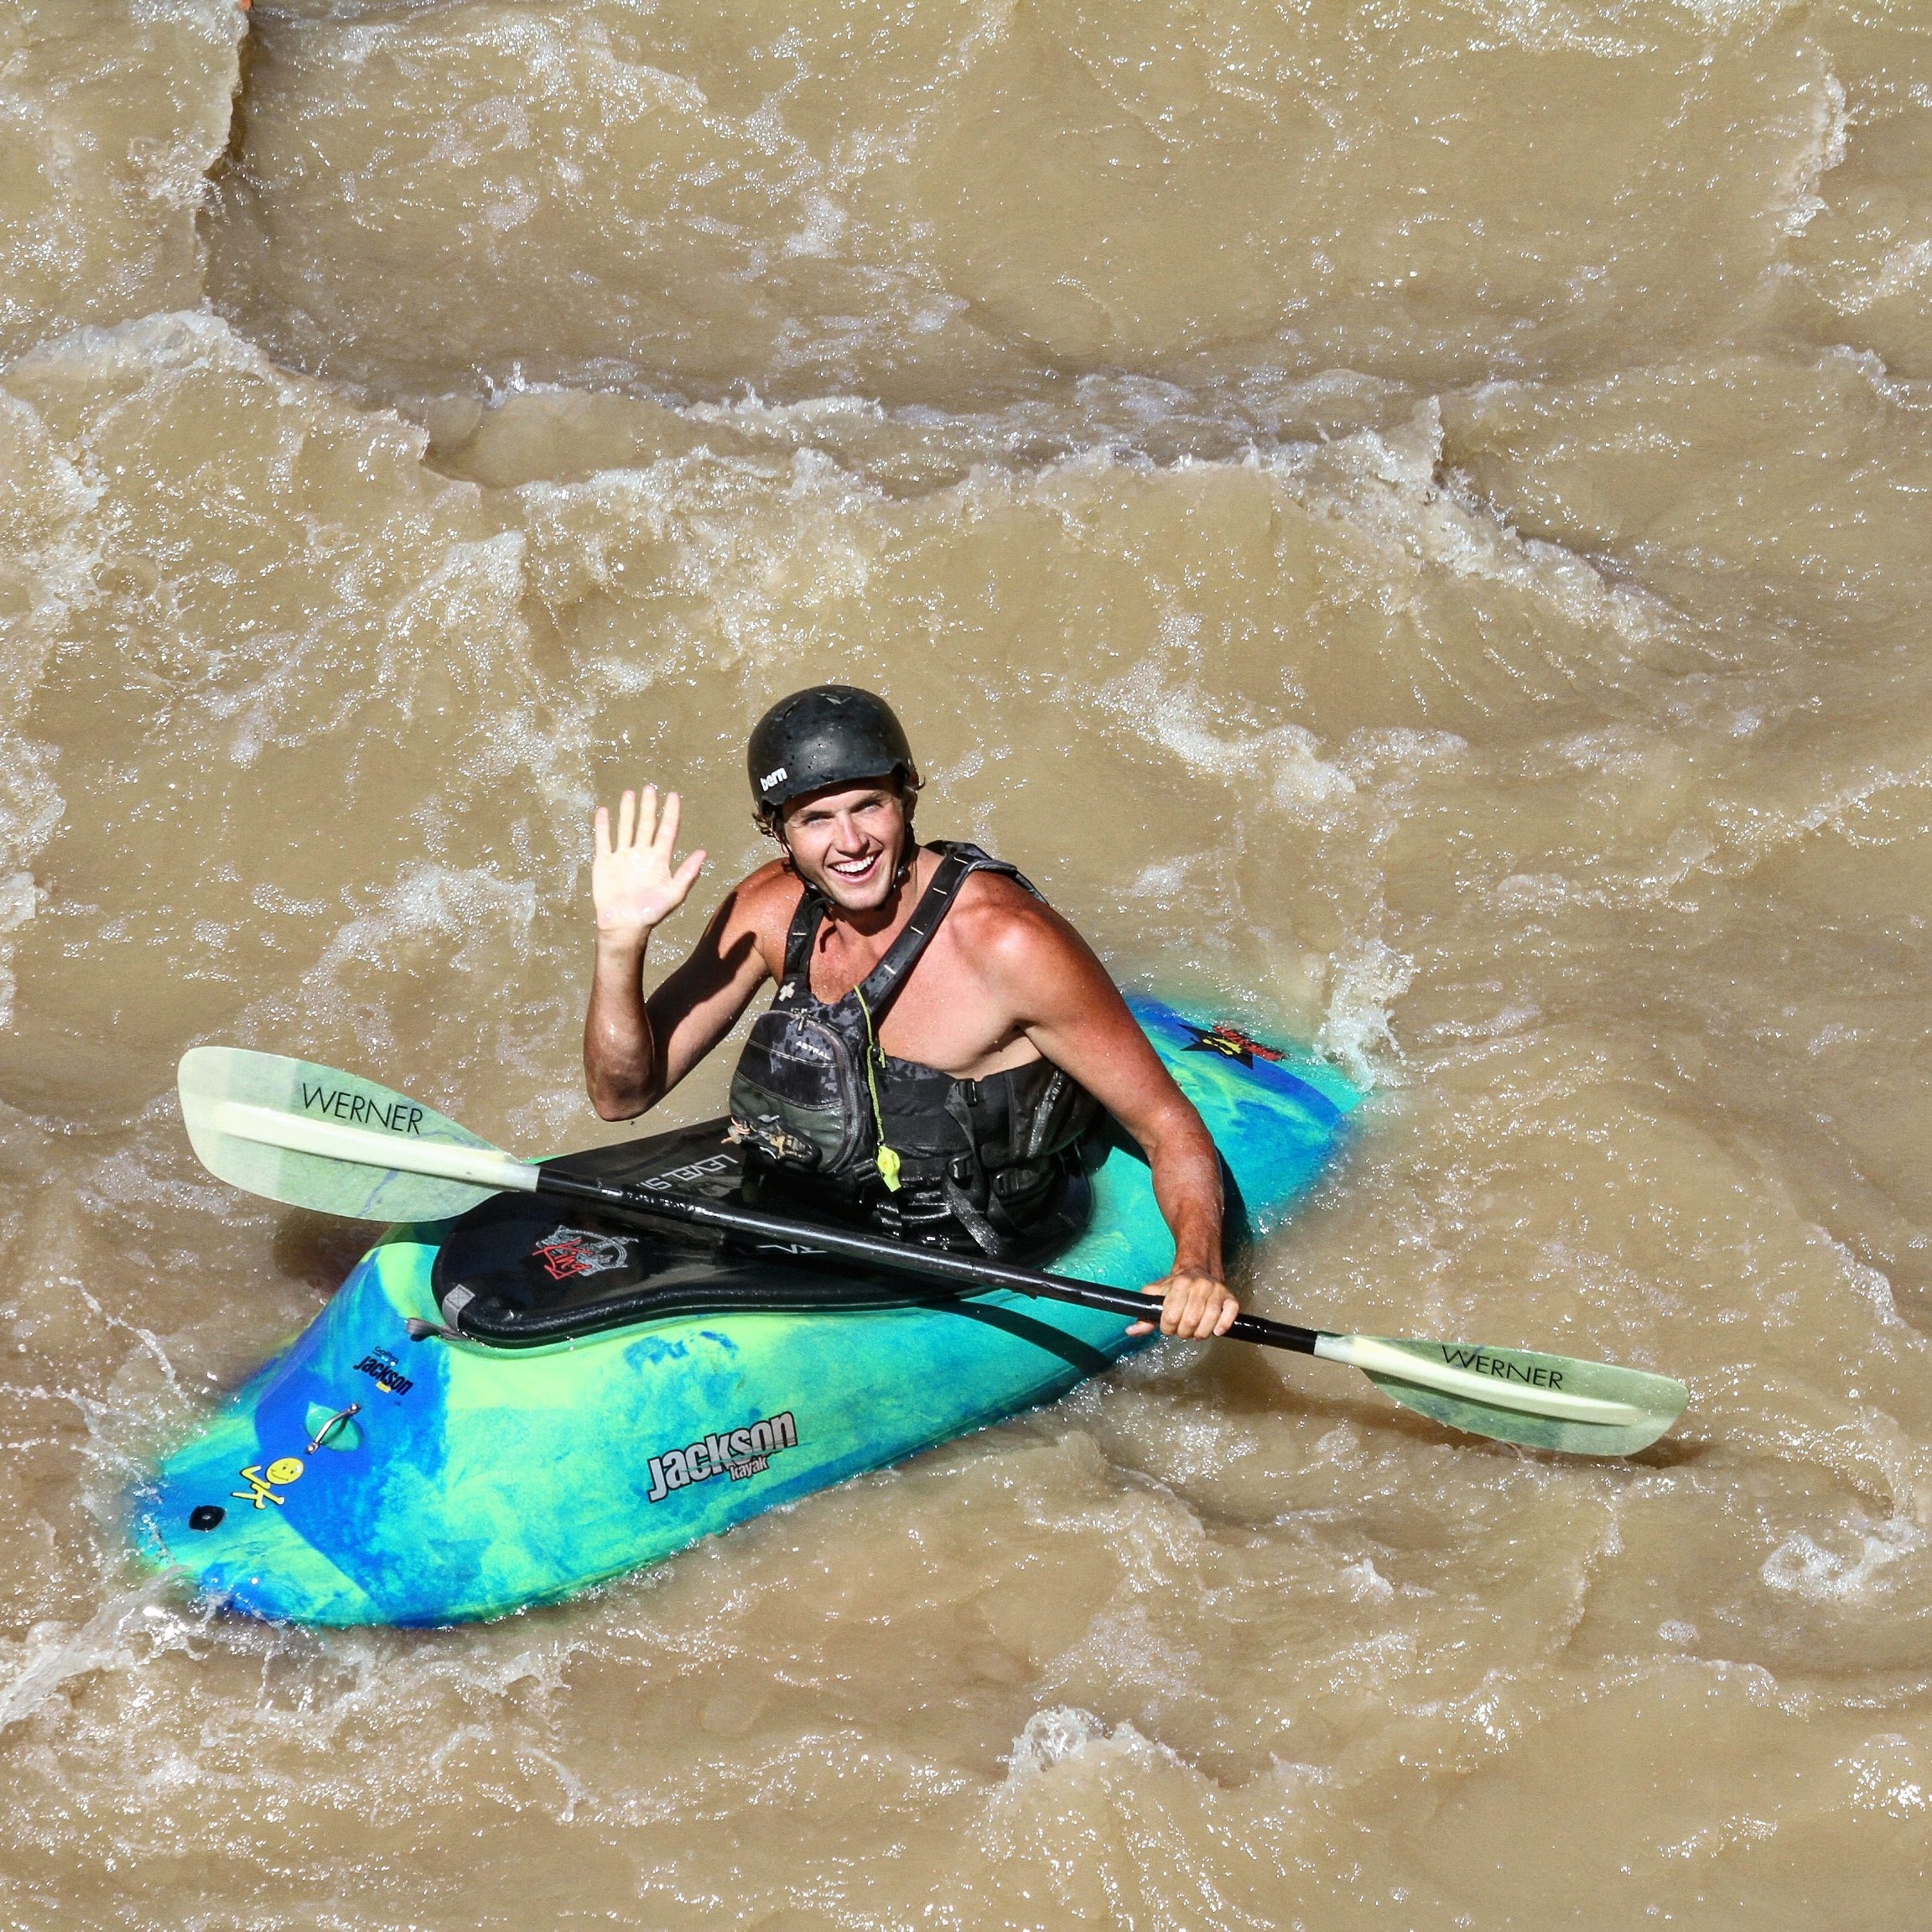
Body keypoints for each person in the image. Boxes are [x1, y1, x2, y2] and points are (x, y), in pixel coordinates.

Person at [582, 686, 1238, 1340]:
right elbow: (622, 1095)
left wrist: (1199, 1266)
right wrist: (619, 944)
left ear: (908, 796)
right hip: (796, 1209)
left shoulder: (1007, 944)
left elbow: (1166, 1125)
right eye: (816, 819)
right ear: (776, 830)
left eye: (869, 805)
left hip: (960, 1251)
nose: (851, 842)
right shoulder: (769, 907)